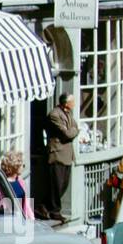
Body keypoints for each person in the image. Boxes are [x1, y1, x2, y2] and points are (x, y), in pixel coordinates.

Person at [42, 93, 79, 223]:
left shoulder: (68, 113)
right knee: (56, 185)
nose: (74, 104)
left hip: (67, 154)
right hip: (57, 154)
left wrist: (73, 130)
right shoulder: (54, 115)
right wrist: (73, 130)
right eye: (72, 101)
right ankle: (54, 210)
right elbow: (68, 133)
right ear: (65, 103)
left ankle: (45, 207)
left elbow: (75, 128)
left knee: (64, 184)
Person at [0, 150, 33, 219]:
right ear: (15, 166)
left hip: (20, 220)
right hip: (6, 220)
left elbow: (26, 204)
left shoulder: (20, 182)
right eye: (22, 165)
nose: (23, 167)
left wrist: (31, 217)